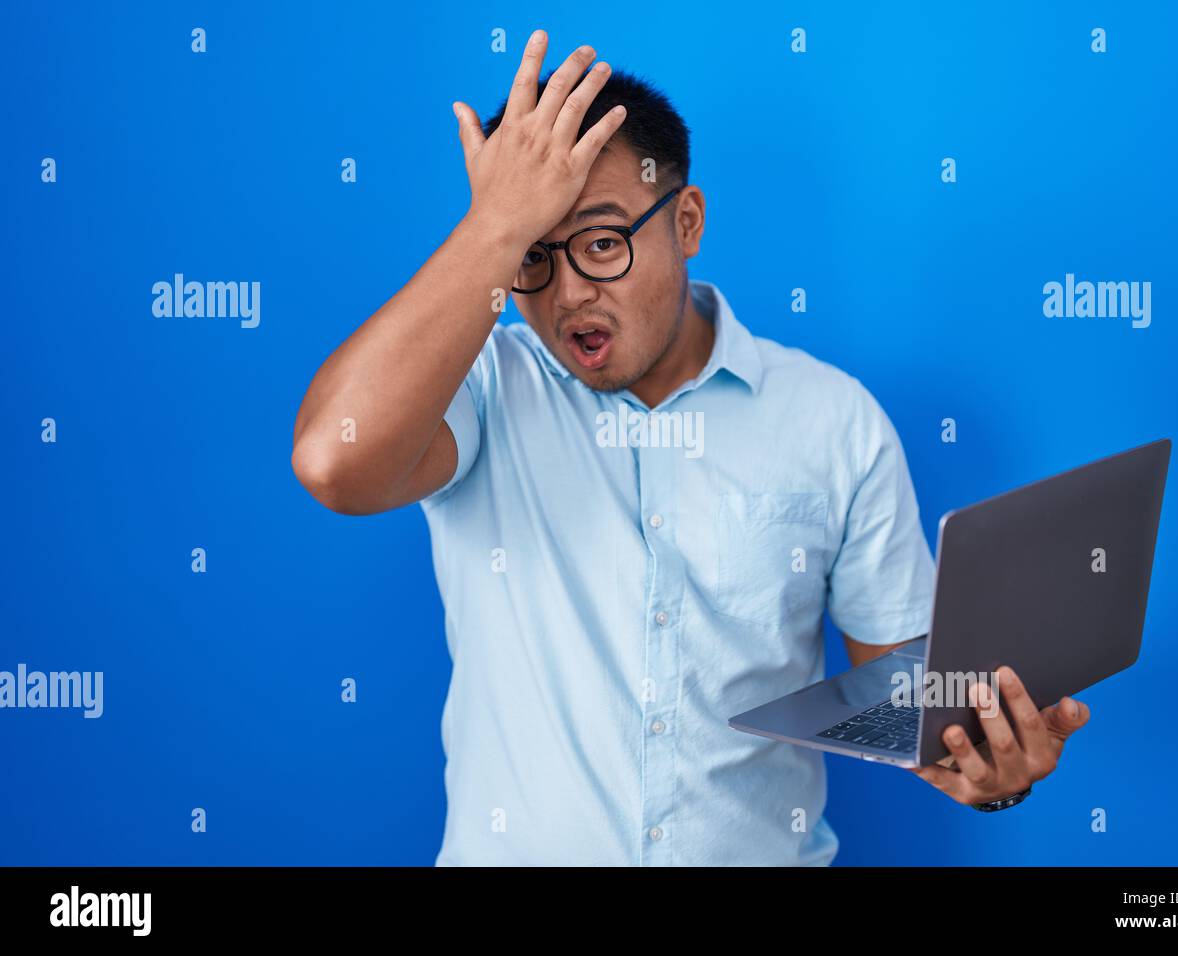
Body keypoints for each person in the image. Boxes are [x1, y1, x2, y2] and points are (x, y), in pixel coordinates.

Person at [290, 29, 1090, 865]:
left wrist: (989, 766)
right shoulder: (480, 389)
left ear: (687, 222)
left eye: (603, 243)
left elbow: (916, 708)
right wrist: (492, 227)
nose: (569, 295)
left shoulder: (831, 418)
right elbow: (333, 463)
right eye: (532, 256)